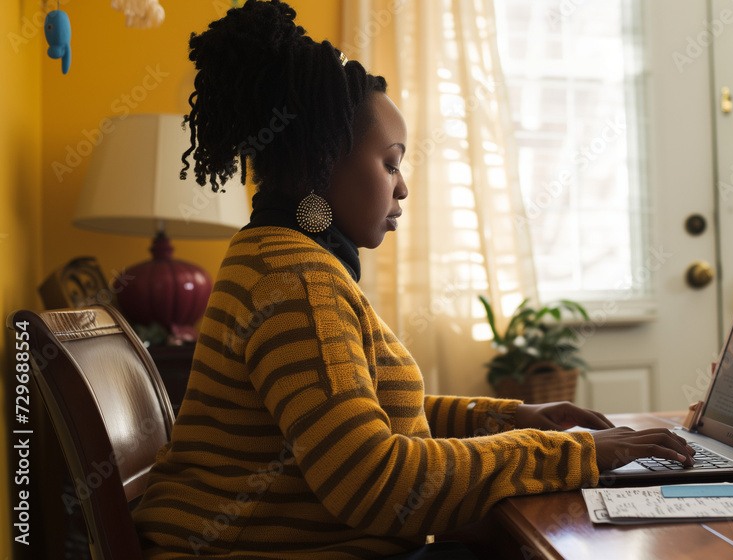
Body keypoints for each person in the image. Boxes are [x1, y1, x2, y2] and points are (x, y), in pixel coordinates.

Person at [130, 1, 694, 558]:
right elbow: (373, 481)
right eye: (390, 163)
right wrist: (575, 453)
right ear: (320, 163)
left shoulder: (274, 257)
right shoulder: (299, 283)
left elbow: (366, 415)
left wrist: (507, 418)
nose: (401, 187)